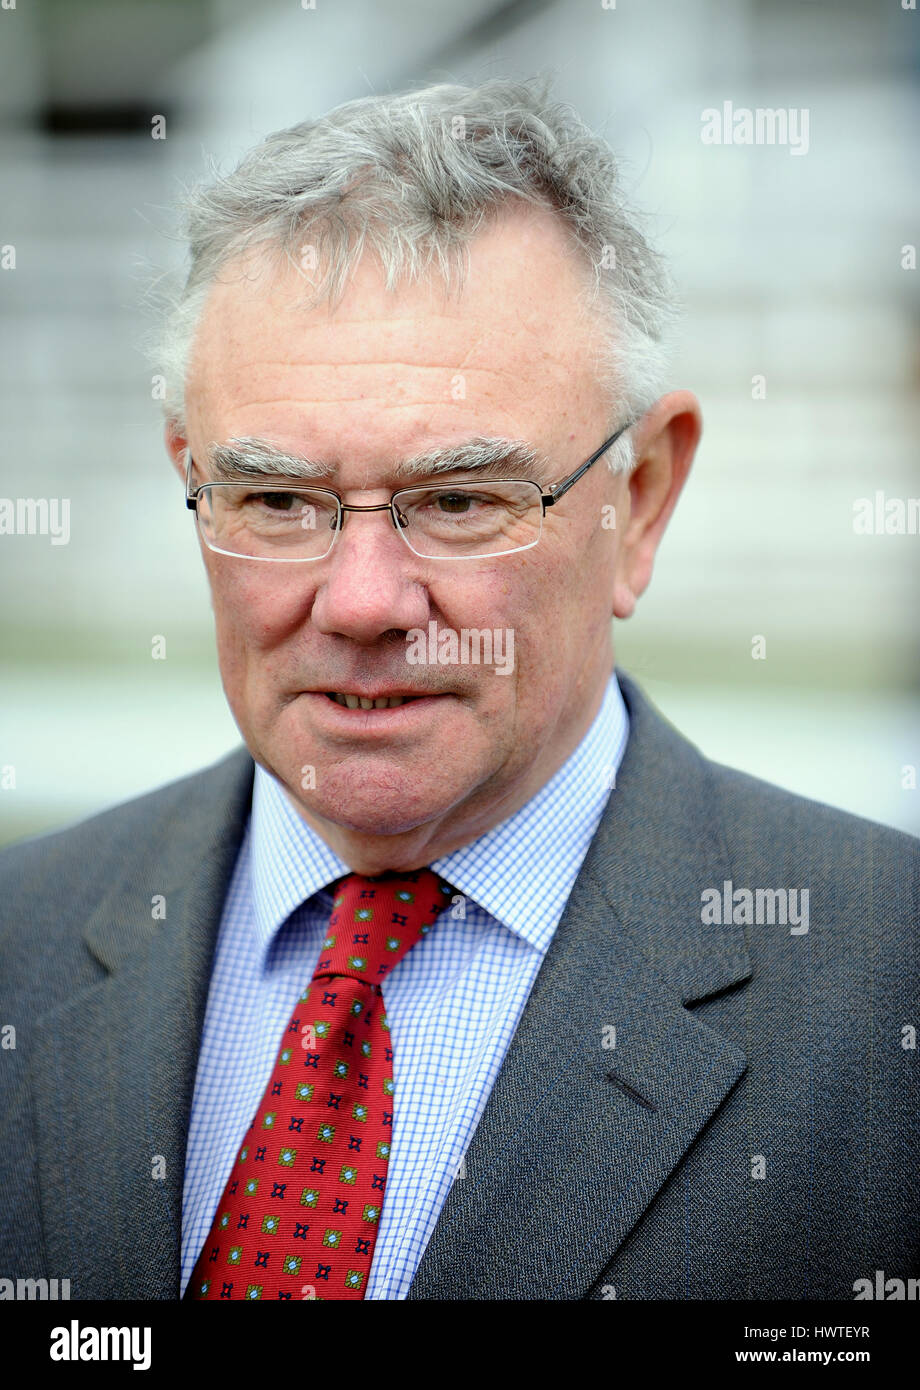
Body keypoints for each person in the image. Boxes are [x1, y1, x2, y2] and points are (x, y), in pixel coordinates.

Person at [1, 75, 916, 1303]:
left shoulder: (882, 993)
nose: (364, 600)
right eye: (275, 500)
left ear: (637, 500)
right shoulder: (23, 942)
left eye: (459, 501)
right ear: (189, 476)